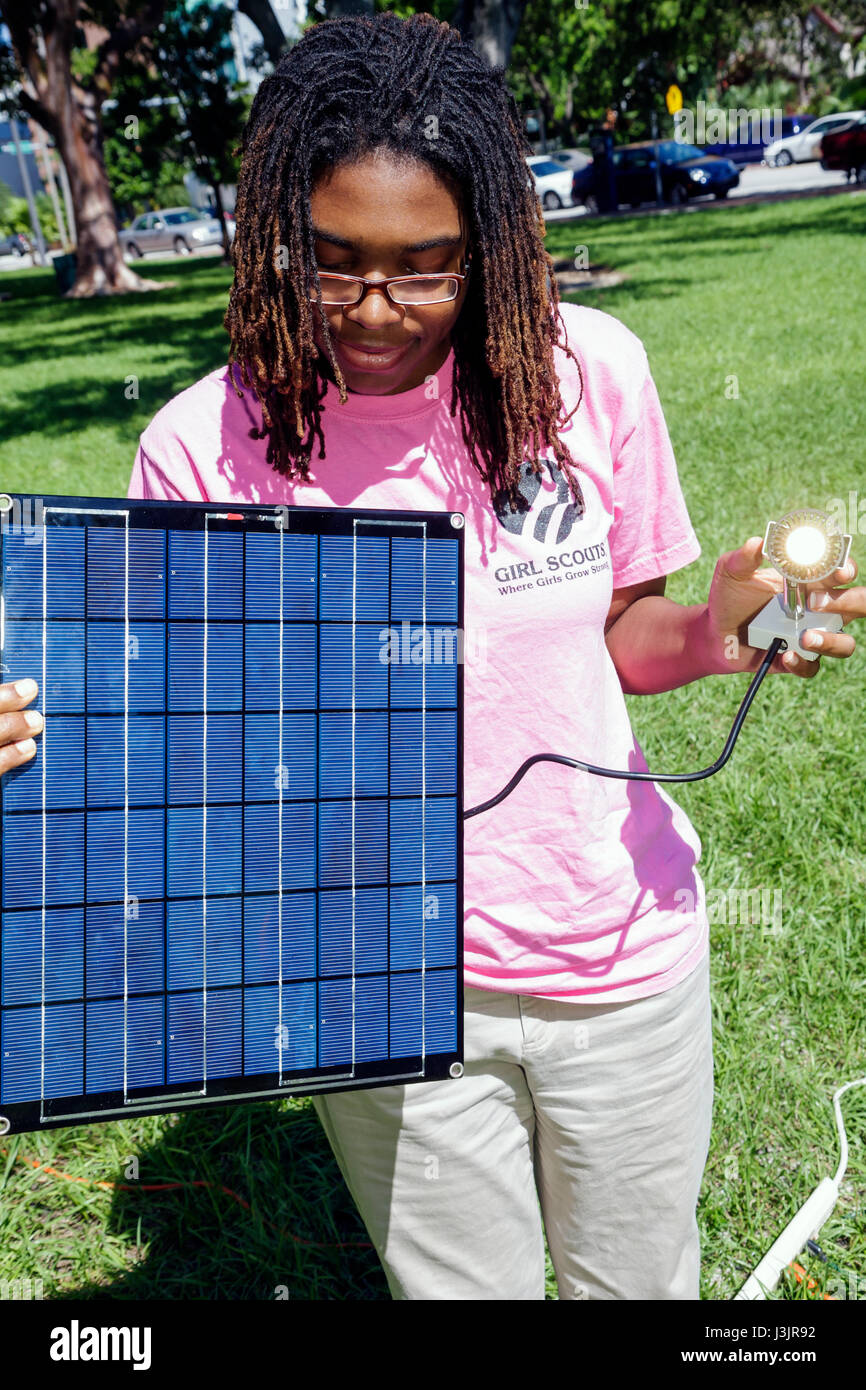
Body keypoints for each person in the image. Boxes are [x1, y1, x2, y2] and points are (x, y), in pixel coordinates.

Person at [1, 12, 861, 1299]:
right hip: (375, 980)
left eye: (426, 265)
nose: (375, 309)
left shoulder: (591, 378)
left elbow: (625, 639)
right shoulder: (198, 445)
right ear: (275, 236)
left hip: (610, 946)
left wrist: (718, 633)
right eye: (330, 260)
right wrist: (33, 731)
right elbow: (163, 742)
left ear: (494, 246)